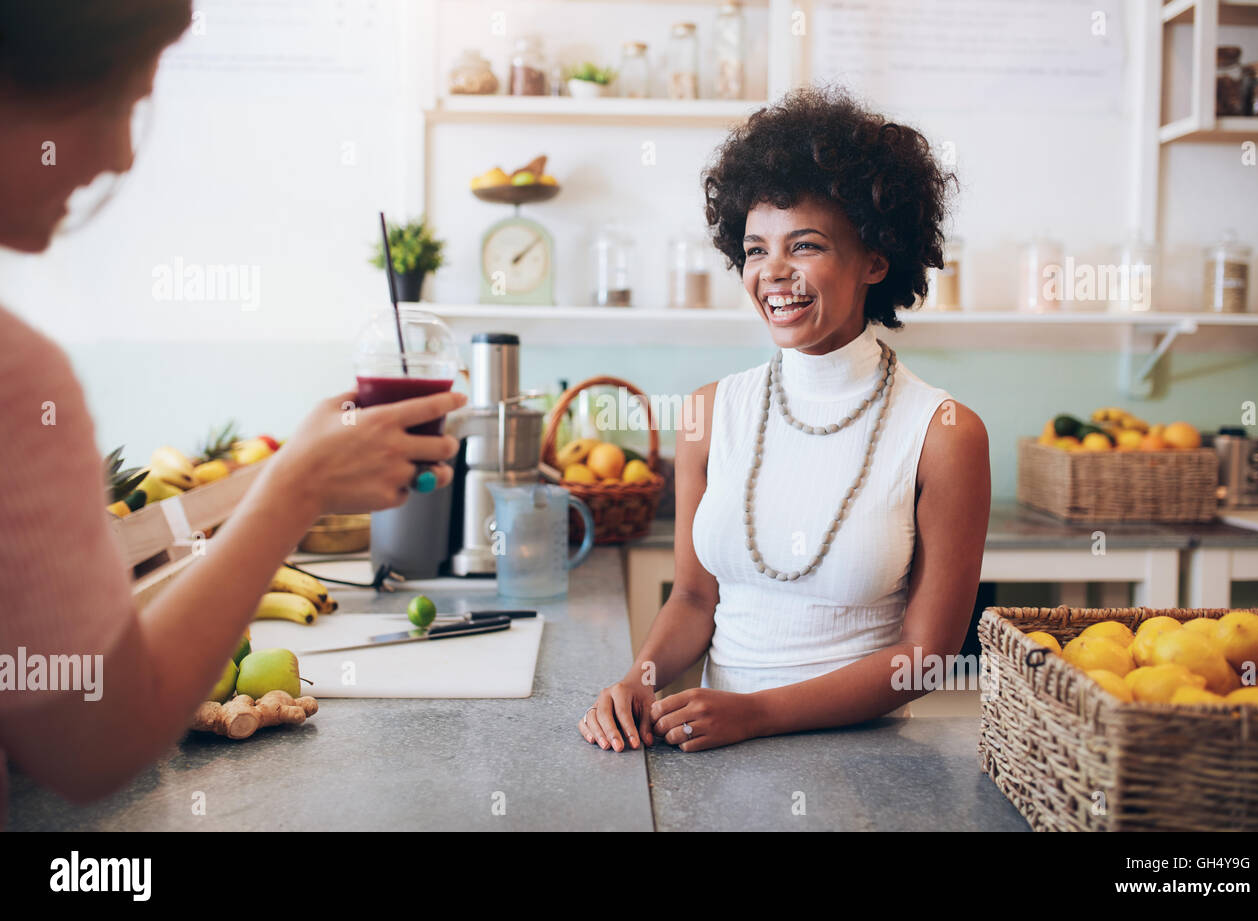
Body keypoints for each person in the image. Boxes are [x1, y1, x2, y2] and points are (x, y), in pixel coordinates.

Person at [0, 0, 465, 825]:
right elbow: (91, 740)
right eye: (116, 102)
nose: (118, 152)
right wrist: (291, 491)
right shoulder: (19, 377)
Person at [580, 85, 991, 752]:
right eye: (755, 249)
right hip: (715, 750)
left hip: (866, 768)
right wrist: (640, 679)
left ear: (875, 260)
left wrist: (757, 712)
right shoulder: (707, 414)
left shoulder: (943, 433)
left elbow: (927, 654)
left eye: (804, 246)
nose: (774, 273)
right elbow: (692, 597)